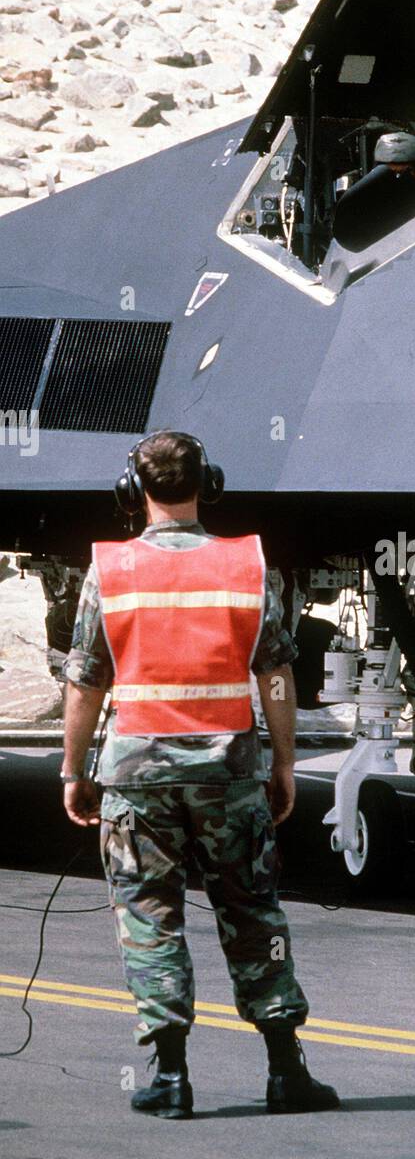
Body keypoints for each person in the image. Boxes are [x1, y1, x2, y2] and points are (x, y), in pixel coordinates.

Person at [61, 429, 339, 1119]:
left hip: (137, 777)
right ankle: (284, 1071)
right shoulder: (247, 565)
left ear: (134, 490)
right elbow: (275, 673)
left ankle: (171, 1077)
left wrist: (73, 770)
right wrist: (282, 762)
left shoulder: (112, 568)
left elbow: (85, 682)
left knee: (150, 919)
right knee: (252, 912)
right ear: (205, 484)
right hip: (230, 773)